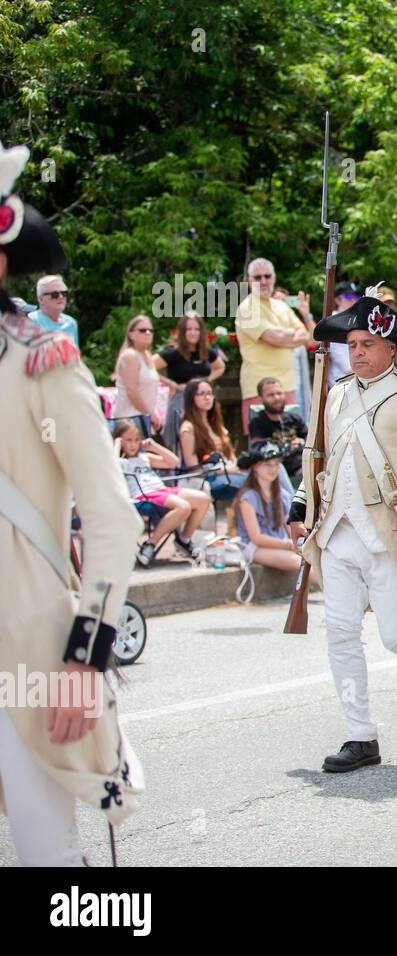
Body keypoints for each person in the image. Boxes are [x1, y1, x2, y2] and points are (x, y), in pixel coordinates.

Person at [0, 141, 143, 865]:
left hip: (24, 654)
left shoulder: (43, 362)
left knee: (45, 859)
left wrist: (85, 661)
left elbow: (114, 520)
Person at [286, 291, 397, 773]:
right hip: (337, 531)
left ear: (391, 348)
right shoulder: (338, 391)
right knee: (340, 634)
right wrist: (302, 501)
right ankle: (360, 734)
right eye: (353, 343)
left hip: (389, 530)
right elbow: (316, 455)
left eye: (369, 343)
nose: (359, 351)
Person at [113, 420, 210, 566]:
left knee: (203, 499)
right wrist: (116, 445)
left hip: (161, 490)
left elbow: (174, 462)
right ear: (120, 441)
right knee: (183, 507)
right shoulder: (119, 461)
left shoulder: (145, 458)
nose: (133, 444)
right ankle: (150, 544)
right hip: (144, 494)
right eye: (128, 440)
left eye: (136, 440)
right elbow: (112, 467)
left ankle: (184, 540)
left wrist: (154, 446)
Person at [235, 257, 312, 431]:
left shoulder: (281, 306)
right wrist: (290, 335)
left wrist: (283, 336)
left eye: (267, 276)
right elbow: (274, 337)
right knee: (261, 449)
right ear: (249, 280)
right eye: (257, 277)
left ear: (274, 278)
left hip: (287, 387)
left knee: (292, 444)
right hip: (258, 388)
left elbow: (305, 336)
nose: (263, 281)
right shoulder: (246, 308)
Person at [234, 440, 317, 578]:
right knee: (298, 562)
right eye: (267, 464)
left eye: (276, 464)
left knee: (313, 559)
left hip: (281, 543)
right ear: (255, 466)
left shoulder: (282, 495)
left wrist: (297, 542)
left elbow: (288, 527)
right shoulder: (247, 498)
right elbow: (256, 538)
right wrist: (289, 545)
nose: (273, 469)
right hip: (254, 547)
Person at [156, 311, 226, 450]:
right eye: (189, 329)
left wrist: (204, 382)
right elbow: (148, 366)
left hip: (203, 402)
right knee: (179, 438)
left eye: (196, 329)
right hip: (181, 400)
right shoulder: (172, 353)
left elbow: (220, 367)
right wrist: (171, 384)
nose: (193, 333)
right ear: (182, 332)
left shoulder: (206, 352)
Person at [177, 377, 245, 506]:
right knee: (257, 482)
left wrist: (236, 466)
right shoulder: (188, 428)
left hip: (229, 471)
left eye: (209, 393)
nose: (207, 397)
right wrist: (227, 469)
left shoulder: (216, 425)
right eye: (201, 394)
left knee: (273, 472)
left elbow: (231, 456)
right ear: (191, 398)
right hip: (209, 478)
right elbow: (194, 469)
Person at [247, 376, 308, 485]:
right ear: (261, 398)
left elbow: (312, 441)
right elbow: (258, 451)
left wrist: (301, 442)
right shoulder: (258, 422)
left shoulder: (294, 418)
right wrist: (284, 446)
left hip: (302, 466)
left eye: (279, 393)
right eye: (271, 395)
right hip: (278, 470)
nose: (276, 397)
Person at [111, 314, 161, 438]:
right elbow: (132, 392)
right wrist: (150, 414)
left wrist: (153, 412)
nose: (148, 333)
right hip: (129, 420)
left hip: (144, 417)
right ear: (131, 334)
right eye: (143, 330)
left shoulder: (147, 355)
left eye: (151, 330)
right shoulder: (130, 356)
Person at [327, 281, 360, 387]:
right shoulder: (333, 320)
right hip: (341, 381)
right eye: (349, 296)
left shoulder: (355, 320)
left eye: (355, 296)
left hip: (356, 377)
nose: (353, 299)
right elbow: (337, 353)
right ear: (338, 300)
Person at [31, 273, 78, 346]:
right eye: (54, 294)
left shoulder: (71, 323)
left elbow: (75, 356)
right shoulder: (30, 321)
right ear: (41, 299)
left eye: (64, 293)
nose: (61, 297)